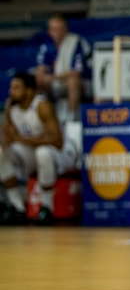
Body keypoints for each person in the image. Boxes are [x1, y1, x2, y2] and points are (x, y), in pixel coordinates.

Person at [0, 73, 80, 224]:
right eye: (11, 87)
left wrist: (22, 139)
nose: (11, 91)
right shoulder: (10, 107)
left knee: (43, 152)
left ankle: (46, 208)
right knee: (1, 154)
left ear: (30, 91)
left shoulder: (42, 106)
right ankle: (18, 208)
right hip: (33, 150)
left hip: (62, 153)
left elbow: (57, 141)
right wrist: (8, 140)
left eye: (17, 88)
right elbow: (9, 137)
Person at [34, 14, 91, 124]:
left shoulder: (76, 42)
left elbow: (76, 72)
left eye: (60, 29)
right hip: (54, 82)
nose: (58, 33)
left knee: (72, 81)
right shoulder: (47, 46)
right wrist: (41, 75)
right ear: (49, 31)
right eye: (54, 29)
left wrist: (53, 77)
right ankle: (39, 116)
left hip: (82, 83)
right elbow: (41, 67)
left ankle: (72, 116)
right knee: (36, 79)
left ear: (66, 30)